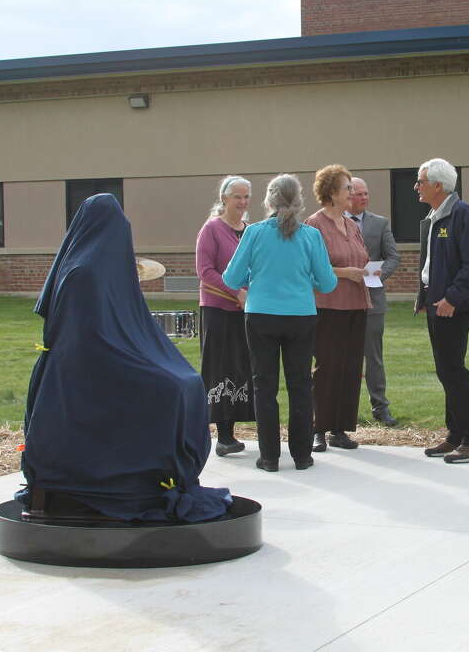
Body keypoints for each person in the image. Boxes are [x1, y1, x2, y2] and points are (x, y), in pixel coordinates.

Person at [21, 193, 231, 521]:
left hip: (104, 361)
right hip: (87, 371)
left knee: (186, 382)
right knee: (170, 389)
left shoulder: (104, 271)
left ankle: (166, 476)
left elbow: (129, 325)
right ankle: (140, 478)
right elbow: (88, 341)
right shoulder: (82, 275)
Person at [222, 175, 337, 472]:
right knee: (300, 385)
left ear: (269, 200)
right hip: (301, 316)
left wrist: (255, 278)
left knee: (264, 386)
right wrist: (305, 279)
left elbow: (231, 278)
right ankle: (302, 456)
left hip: (261, 315)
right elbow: (327, 283)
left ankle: (270, 457)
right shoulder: (311, 236)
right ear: (299, 201)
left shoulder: (255, 233)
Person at [412, 158, 469, 464]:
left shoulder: (462, 214)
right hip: (437, 304)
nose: (416, 187)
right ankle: (455, 435)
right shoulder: (436, 215)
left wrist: (452, 298)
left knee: (453, 372)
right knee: (446, 372)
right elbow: (433, 264)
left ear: (437, 185)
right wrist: (425, 297)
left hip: (453, 307)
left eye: (420, 181)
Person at [305, 165, 371, 452]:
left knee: (351, 367)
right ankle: (318, 428)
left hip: (357, 303)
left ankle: (340, 429)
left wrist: (366, 272)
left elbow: (361, 258)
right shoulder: (314, 224)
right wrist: (345, 273)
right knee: (327, 367)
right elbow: (309, 269)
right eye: (347, 188)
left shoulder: (353, 225)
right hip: (328, 305)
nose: (352, 193)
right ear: (331, 193)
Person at [195, 175, 255, 456]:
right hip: (217, 310)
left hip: (245, 309)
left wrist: (251, 293)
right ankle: (223, 436)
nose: (242, 202)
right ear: (224, 198)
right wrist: (236, 293)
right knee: (220, 368)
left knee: (241, 367)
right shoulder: (211, 229)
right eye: (237, 197)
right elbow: (205, 272)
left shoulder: (250, 230)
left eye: (246, 197)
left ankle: (236, 430)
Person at [346, 176, 400, 426]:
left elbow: (392, 257)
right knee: (344, 357)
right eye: (359, 194)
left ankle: (380, 407)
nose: (364, 198)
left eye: (366, 193)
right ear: (347, 196)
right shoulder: (333, 224)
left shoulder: (380, 224)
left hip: (373, 300)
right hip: (342, 300)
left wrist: (382, 272)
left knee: (374, 357)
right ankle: (345, 409)